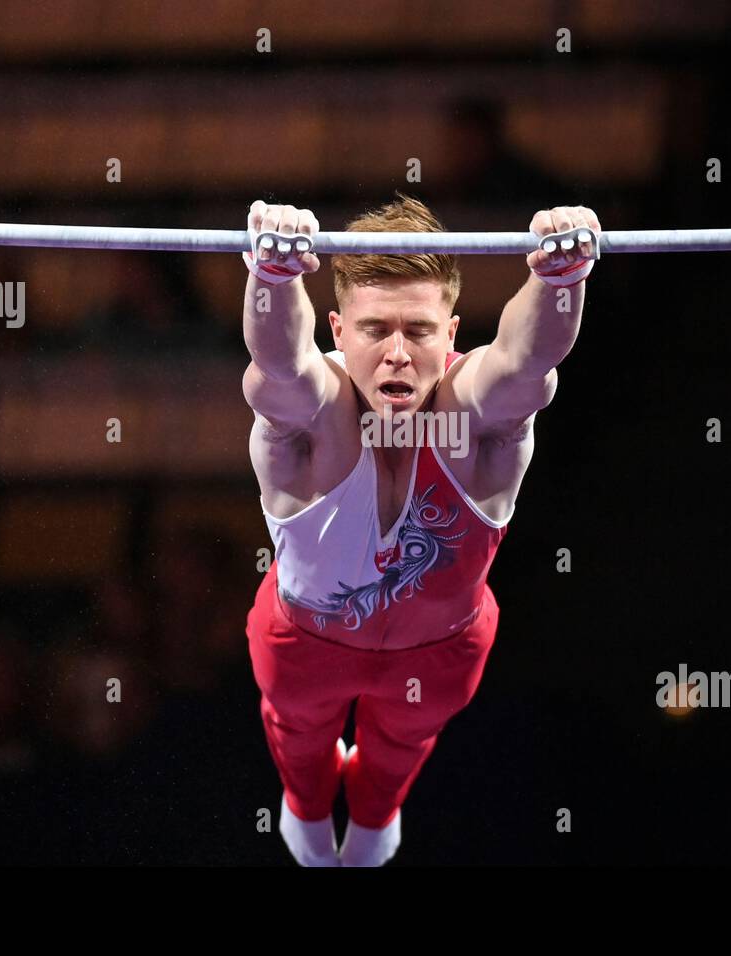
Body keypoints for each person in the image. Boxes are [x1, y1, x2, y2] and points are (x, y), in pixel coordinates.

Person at [241, 193, 599, 865]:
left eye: (419, 330)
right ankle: (308, 811)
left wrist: (559, 281)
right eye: (376, 330)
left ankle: (376, 817)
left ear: (452, 333)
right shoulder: (317, 417)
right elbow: (282, 366)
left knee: (395, 761)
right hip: (306, 646)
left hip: (437, 655)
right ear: (338, 330)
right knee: (300, 739)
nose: (399, 354)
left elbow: (526, 363)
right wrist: (272, 278)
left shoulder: (475, 420)